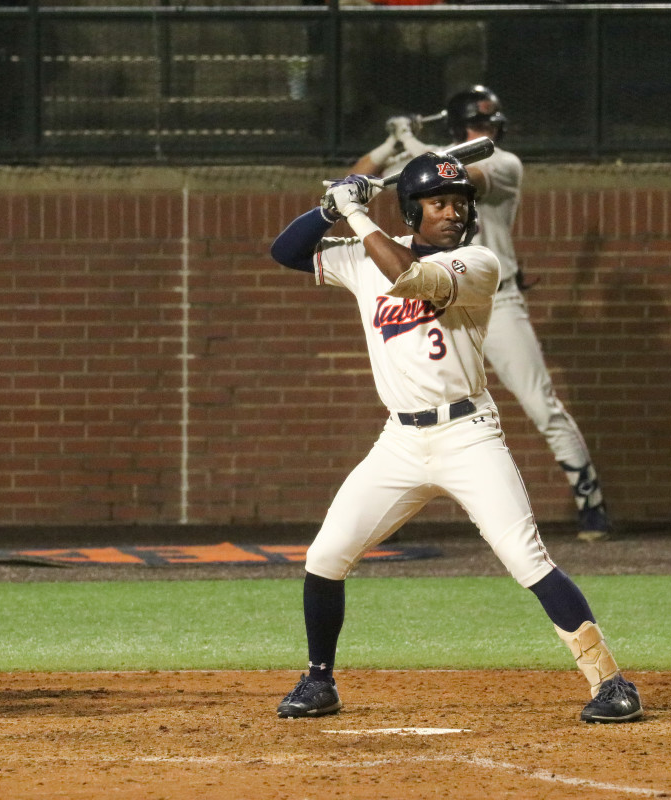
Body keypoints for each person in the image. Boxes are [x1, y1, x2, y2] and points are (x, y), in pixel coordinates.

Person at [267, 155, 643, 723]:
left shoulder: (477, 260)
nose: (453, 212)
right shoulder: (366, 255)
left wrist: (358, 218)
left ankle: (611, 683)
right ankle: (320, 681)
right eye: (439, 203)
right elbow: (286, 253)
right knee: (325, 556)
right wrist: (329, 208)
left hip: (468, 434)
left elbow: (411, 278)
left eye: (460, 203)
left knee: (527, 559)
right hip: (399, 441)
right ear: (413, 208)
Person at [352, 85, 614, 542]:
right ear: (458, 127)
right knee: (413, 403)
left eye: (490, 124)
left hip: (494, 298)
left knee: (541, 404)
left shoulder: (503, 162)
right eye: (476, 125)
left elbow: (460, 174)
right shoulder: (421, 159)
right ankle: (380, 512)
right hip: (432, 296)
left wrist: (414, 145)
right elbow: (351, 184)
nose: (485, 131)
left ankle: (589, 500)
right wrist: (388, 146)